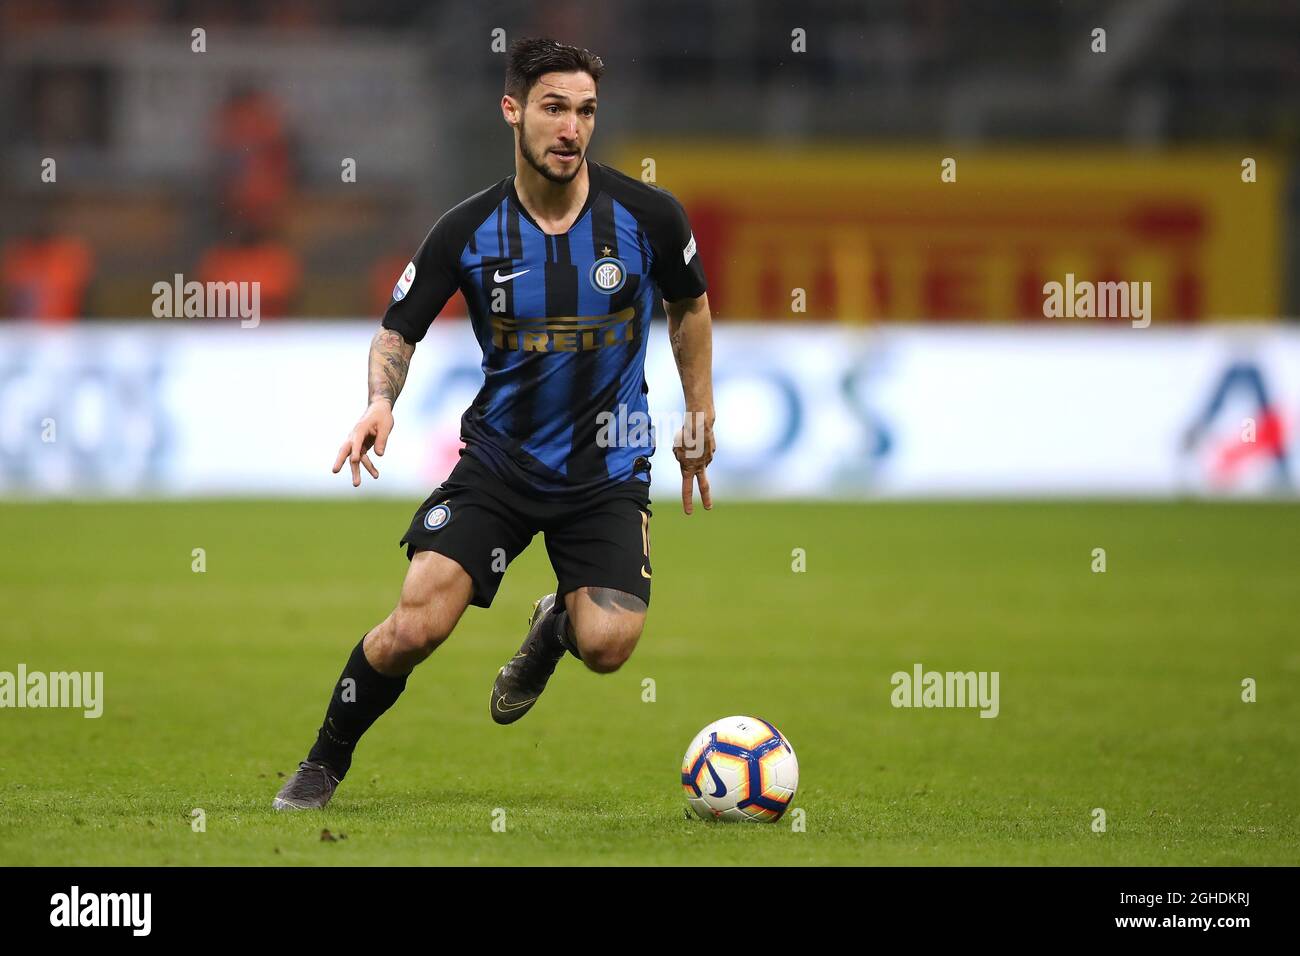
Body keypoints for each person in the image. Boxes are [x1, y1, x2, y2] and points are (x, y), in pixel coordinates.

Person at [274, 37, 715, 810]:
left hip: (607, 470)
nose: (571, 128)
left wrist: (699, 410)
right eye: (553, 108)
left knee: (609, 647)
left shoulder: (648, 215)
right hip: (502, 464)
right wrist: (381, 401)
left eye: (585, 111)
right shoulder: (468, 230)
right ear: (513, 111)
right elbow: (397, 330)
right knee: (416, 625)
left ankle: (553, 629)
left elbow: (690, 306)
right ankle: (322, 761)